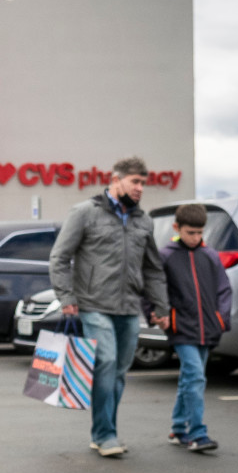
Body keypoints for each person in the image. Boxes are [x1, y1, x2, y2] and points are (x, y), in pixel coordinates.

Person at [49, 156, 169, 457]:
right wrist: (67, 299)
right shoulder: (85, 213)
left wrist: (161, 306)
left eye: (144, 183)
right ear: (115, 181)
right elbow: (59, 258)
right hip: (92, 304)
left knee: (118, 372)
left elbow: (153, 269)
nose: (141, 188)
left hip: (128, 307)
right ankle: (106, 435)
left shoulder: (143, 220)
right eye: (135, 182)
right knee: (105, 362)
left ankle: (103, 431)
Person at [157, 204, 230, 453]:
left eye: (200, 233)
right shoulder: (166, 256)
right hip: (181, 328)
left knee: (190, 378)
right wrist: (160, 314)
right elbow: (154, 290)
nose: (196, 238)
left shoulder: (209, 255)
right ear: (177, 228)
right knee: (196, 377)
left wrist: (221, 320)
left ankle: (178, 429)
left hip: (207, 328)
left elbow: (224, 290)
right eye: (191, 233)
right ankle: (198, 433)